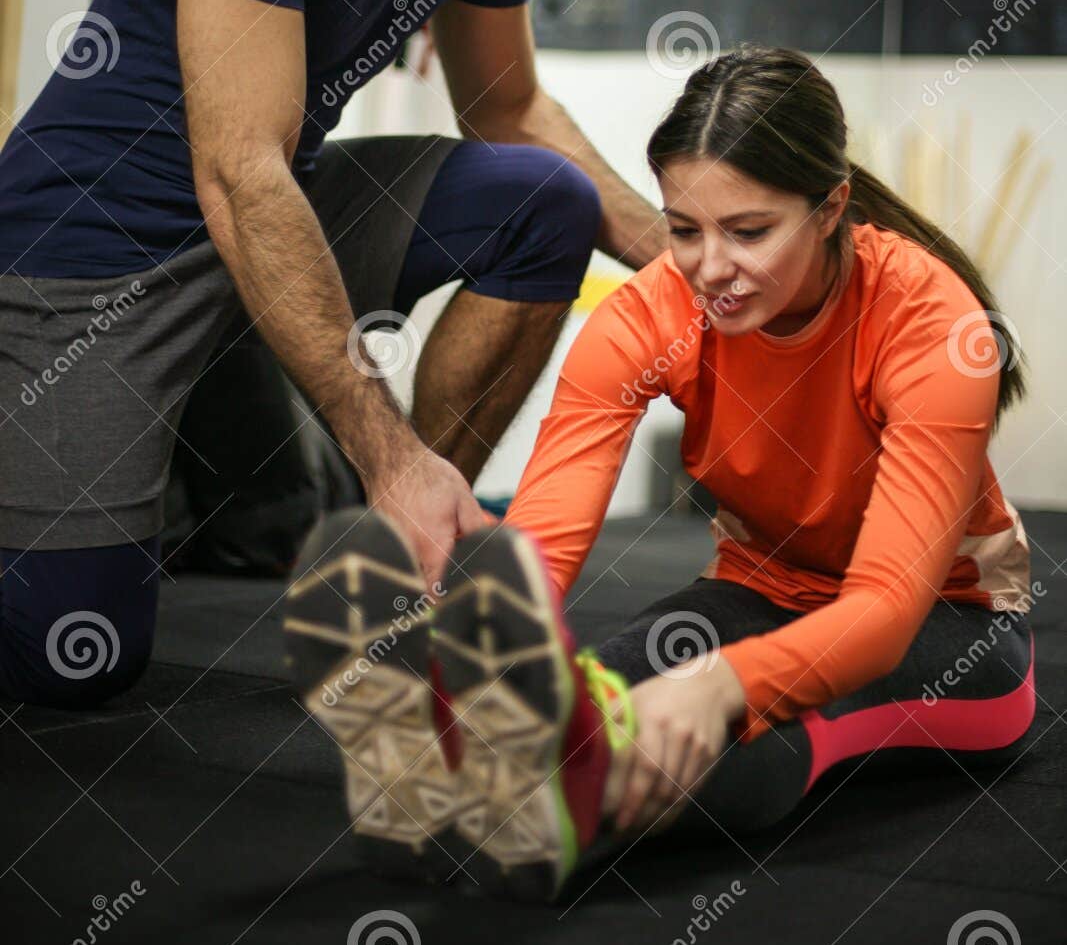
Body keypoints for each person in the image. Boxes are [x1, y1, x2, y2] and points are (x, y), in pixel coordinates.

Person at [0, 0, 679, 709]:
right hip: (91, 257)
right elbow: (235, 170)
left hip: (272, 216)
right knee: (72, 663)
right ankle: (390, 485)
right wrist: (387, 448)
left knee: (540, 205)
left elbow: (507, 108)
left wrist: (685, 259)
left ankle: (412, 562)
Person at [285, 45, 1037, 901]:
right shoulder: (653, 311)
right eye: (683, 229)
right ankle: (473, 771)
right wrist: (486, 642)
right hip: (758, 588)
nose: (709, 267)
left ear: (830, 210)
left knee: (756, 714)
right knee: (604, 681)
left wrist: (728, 681)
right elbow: (539, 552)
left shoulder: (932, 325)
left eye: (748, 232)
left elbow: (883, 614)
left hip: (951, 629)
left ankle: (564, 808)